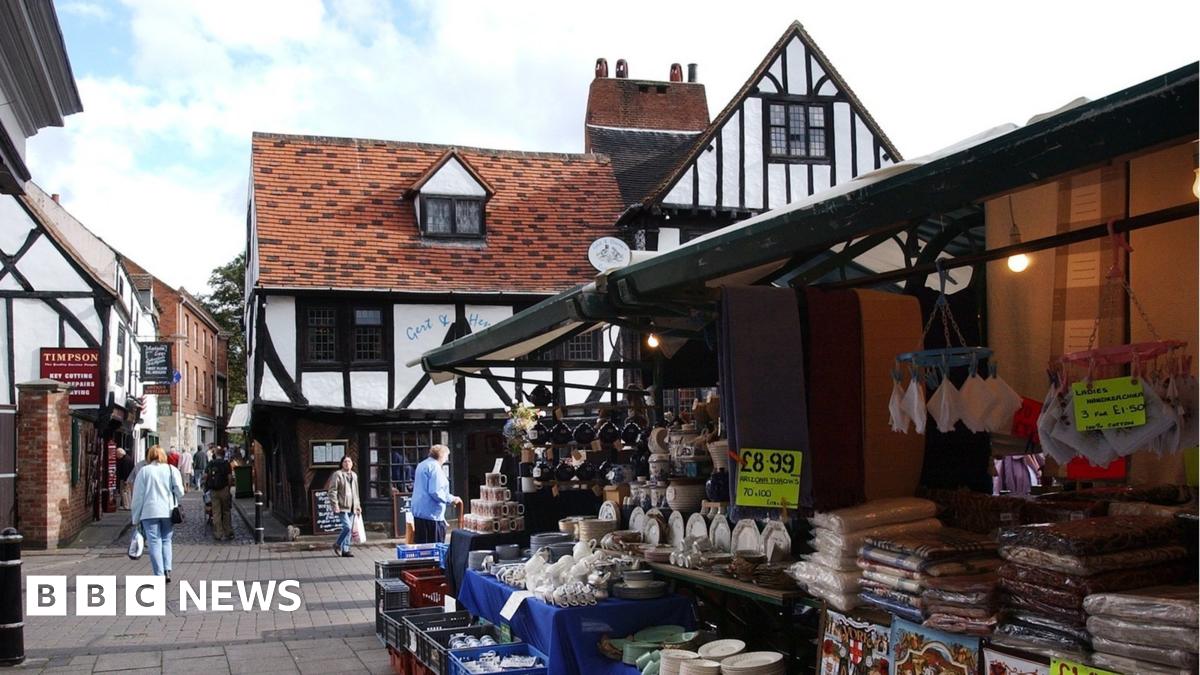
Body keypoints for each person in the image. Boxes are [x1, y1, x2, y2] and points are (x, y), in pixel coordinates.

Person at [131, 446, 184, 580]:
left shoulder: (144, 471)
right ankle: (167, 570)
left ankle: (159, 574)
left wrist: (135, 518)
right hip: (168, 510)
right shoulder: (172, 470)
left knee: (154, 542)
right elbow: (180, 491)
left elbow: (138, 497)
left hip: (149, 512)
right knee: (166, 540)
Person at [411, 444, 461, 544]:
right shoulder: (435, 468)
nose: (447, 459)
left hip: (419, 511)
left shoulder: (422, 464)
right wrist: (451, 499)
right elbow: (436, 491)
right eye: (447, 456)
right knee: (434, 548)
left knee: (422, 547)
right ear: (442, 455)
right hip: (431, 514)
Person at [326, 455, 362, 557]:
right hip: (342, 505)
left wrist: (358, 506)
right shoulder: (338, 474)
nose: (347, 463)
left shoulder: (354, 475)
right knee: (347, 527)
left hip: (352, 506)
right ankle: (337, 544)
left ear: (352, 464)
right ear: (342, 463)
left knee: (349, 530)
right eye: (345, 462)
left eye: (349, 462)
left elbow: (356, 492)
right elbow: (332, 491)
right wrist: (335, 505)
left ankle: (346, 549)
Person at [205, 446, 234, 541]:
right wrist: (228, 488)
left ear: (215, 454)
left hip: (214, 490)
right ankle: (228, 532)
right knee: (226, 511)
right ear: (223, 454)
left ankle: (218, 533)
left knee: (216, 512)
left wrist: (207, 486)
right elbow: (230, 477)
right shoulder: (226, 464)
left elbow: (205, 476)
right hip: (224, 489)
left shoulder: (211, 463)